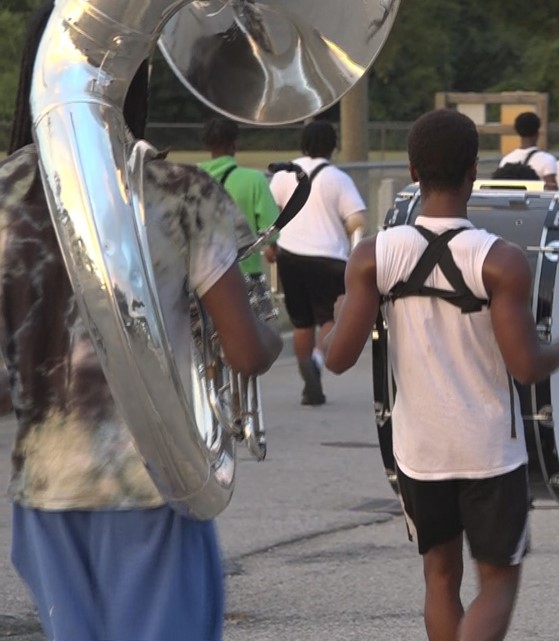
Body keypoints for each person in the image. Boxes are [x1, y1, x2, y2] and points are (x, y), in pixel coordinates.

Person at [0, 5, 283, 640]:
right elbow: (243, 350)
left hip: (44, 495)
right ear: (137, 75)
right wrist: (264, 335)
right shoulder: (180, 193)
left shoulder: (2, 198)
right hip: (152, 491)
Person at [322, 109, 559, 641]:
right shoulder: (501, 261)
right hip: (489, 450)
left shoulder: (373, 256)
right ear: (475, 170)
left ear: (412, 171)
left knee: (440, 578)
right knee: (499, 581)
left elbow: (337, 358)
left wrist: (334, 321)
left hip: (420, 452)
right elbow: (527, 365)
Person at [267, 120, 368, 406]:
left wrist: (271, 246)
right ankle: (316, 360)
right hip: (328, 257)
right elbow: (357, 220)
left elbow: (273, 213)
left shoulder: (285, 174)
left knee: (301, 322)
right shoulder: (338, 178)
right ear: (333, 146)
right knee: (329, 317)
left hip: (290, 255)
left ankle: (309, 383)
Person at [197, 117, 281, 318]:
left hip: (200, 278)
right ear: (234, 143)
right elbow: (271, 231)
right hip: (244, 275)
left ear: (207, 144)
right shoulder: (253, 180)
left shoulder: (192, 177)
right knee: (255, 341)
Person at [499, 112, 558, 190]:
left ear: (518, 132)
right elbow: (552, 191)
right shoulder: (547, 160)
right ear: (537, 133)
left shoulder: (506, 160)